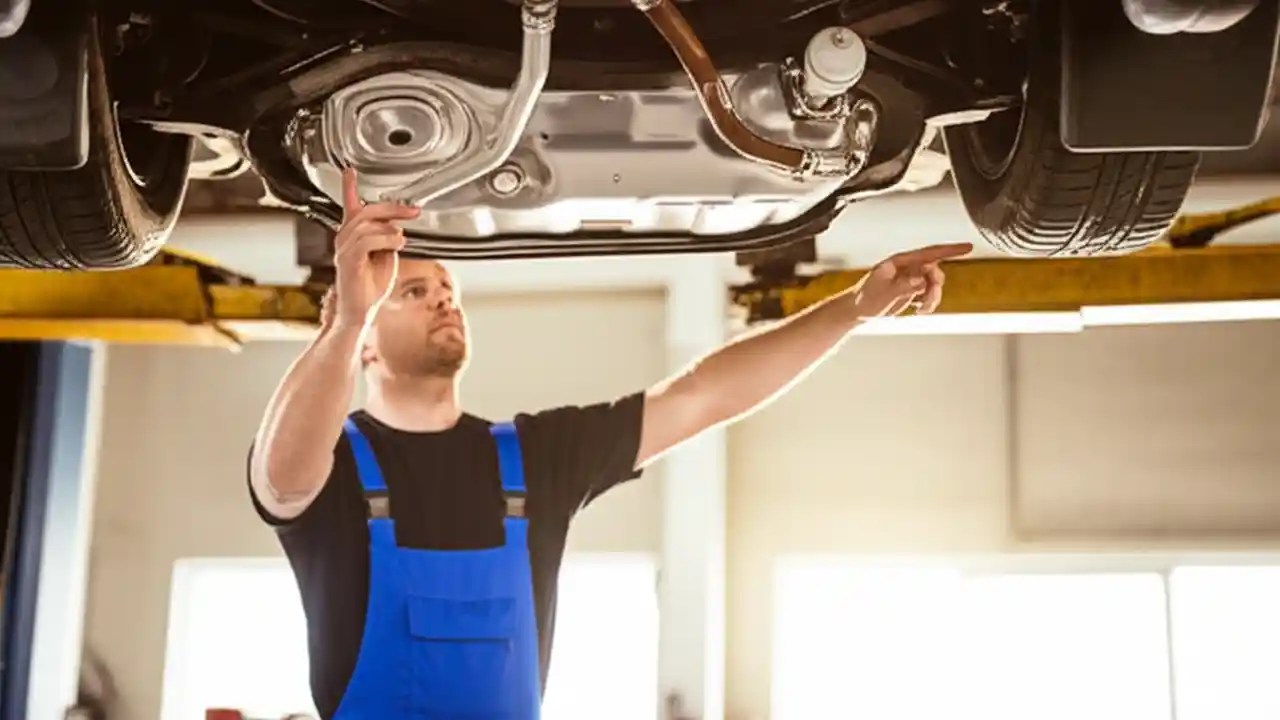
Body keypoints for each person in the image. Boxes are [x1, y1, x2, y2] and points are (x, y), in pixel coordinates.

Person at [247, 168, 970, 719]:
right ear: (366, 342)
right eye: (411, 292)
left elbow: (701, 395)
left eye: (449, 289)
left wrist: (854, 309)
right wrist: (345, 318)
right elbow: (280, 480)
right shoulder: (333, 464)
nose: (443, 297)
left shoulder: (533, 457)